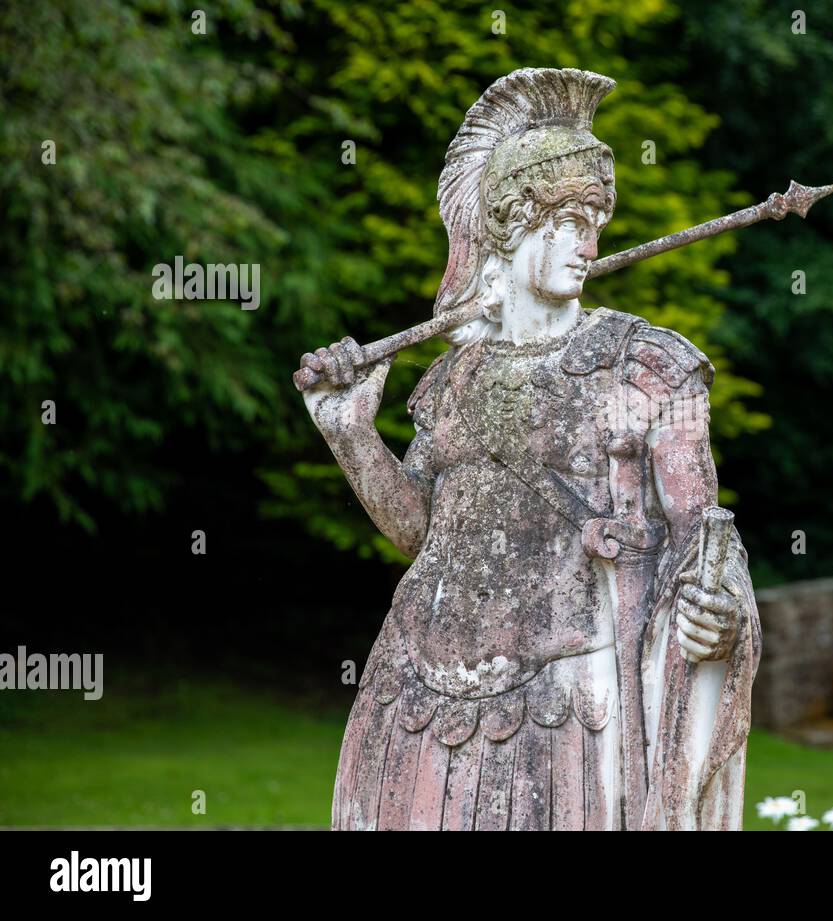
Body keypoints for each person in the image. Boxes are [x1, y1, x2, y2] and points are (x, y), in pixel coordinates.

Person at [298, 68, 760, 830]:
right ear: (512, 224)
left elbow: (700, 541)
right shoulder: (452, 377)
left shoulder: (648, 368)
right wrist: (348, 433)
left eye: (598, 220)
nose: (590, 243)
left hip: (565, 712)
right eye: (571, 220)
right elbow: (419, 530)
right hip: (410, 696)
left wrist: (723, 615)